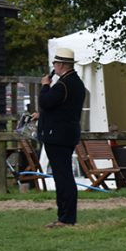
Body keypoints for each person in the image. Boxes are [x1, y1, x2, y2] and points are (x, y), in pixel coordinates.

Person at [37, 47, 86, 228]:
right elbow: (62, 109)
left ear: (61, 65)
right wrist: (42, 115)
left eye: (55, 63)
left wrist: (45, 85)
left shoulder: (62, 85)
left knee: (62, 177)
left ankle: (65, 217)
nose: (54, 67)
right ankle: (66, 216)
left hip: (57, 136)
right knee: (65, 176)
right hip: (68, 134)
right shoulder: (77, 83)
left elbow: (45, 102)